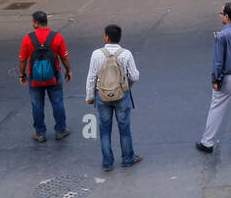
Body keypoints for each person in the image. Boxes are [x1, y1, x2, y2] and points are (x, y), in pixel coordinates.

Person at [196, 3, 231, 153]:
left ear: (226, 17)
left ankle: (207, 142)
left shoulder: (222, 36)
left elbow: (218, 61)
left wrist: (215, 79)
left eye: (221, 14)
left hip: (229, 77)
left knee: (216, 109)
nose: (220, 16)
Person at [85, 24, 142, 171]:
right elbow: (135, 75)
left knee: (104, 130)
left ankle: (107, 163)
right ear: (119, 38)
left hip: (102, 96)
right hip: (121, 95)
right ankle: (128, 158)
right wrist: (128, 86)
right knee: (124, 128)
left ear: (106, 37)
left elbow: (91, 77)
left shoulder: (96, 54)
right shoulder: (126, 54)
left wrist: (90, 96)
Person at [18, 10, 72, 142]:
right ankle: (60, 130)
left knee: (37, 105)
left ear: (36, 23)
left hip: (35, 78)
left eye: (32, 21)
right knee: (57, 102)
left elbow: (23, 59)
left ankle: (40, 133)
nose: (32, 23)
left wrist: (22, 74)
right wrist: (68, 70)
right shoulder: (57, 37)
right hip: (54, 76)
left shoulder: (28, 38)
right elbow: (64, 57)